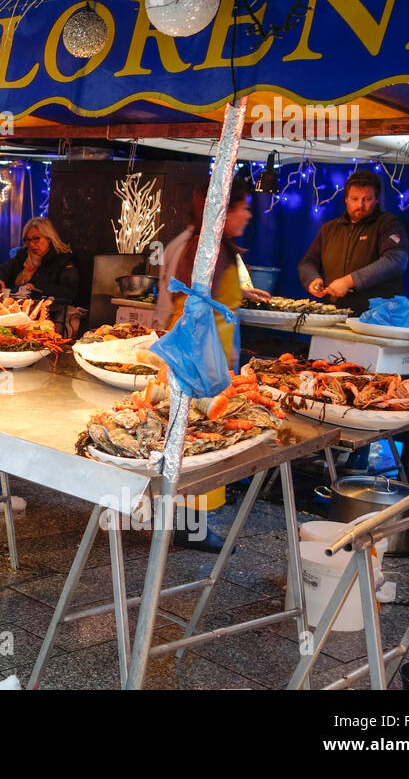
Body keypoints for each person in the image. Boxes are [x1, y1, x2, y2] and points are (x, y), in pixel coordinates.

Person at [161, 179, 260, 552]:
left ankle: (186, 524)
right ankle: (190, 529)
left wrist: (241, 292)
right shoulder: (208, 248)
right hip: (201, 358)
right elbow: (191, 300)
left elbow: (208, 295)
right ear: (225, 211)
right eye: (243, 207)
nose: (248, 214)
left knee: (196, 440)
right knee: (197, 443)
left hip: (209, 356)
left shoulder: (213, 246)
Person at [298, 168, 409, 316]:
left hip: (376, 318)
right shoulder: (329, 229)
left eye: (367, 199)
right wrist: (313, 279)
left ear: (376, 199)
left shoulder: (388, 224)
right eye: (354, 199)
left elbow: (396, 260)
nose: (360, 205)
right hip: (334, 316)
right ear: (346, 199)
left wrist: (349, 281)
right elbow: (307, 262)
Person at [0, 217, 84, 332]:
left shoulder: (63, 260)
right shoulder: (22, 257)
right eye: (27, 240)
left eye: (36, 239)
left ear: (49, 238)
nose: (32, 245)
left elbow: (70, 291)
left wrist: (37, 288)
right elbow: (2, 270)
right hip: (17, 315)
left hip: (50, 317)